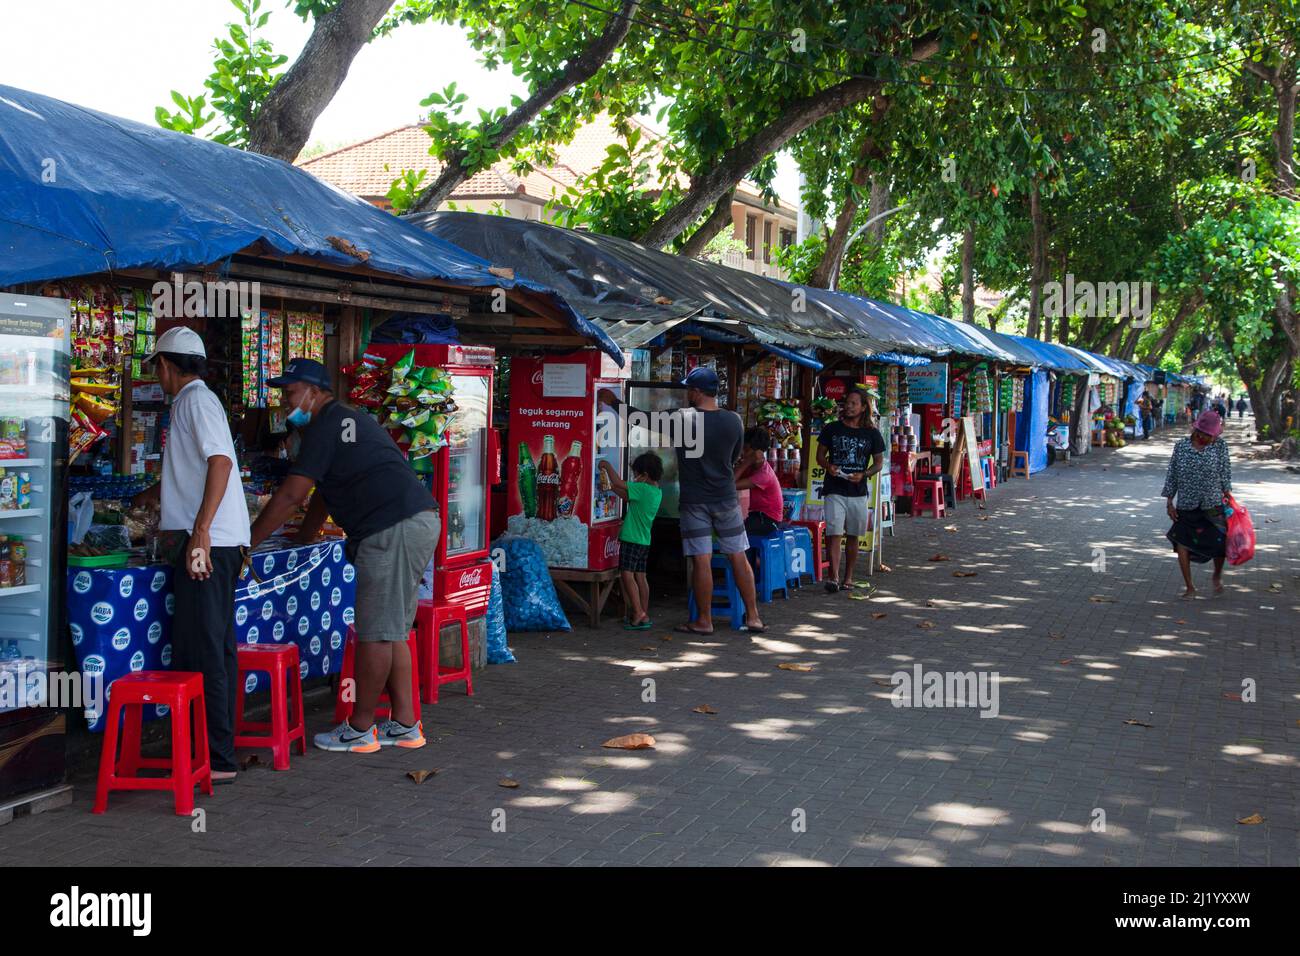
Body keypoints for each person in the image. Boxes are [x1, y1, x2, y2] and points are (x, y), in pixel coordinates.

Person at [249, 358, 440, 753]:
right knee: (392, 631)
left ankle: (359, 729)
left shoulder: (324, 426)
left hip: (391, 529)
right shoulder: (340, 422)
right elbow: (322, 493)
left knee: (374, 632)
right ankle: (405, 724)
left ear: (316, 393)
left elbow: (291, 494)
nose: (285, 403)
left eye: (290, 394)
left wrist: (245, 544)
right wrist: (304, 535)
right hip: (414, 521)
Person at [132, 327, 250, 785]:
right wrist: (151, 495)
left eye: (157, 367)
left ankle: (217, 759)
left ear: (166, 366)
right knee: (214, 647)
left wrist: (199, 532)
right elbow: (198, 468)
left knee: (204, 651)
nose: (157, 375)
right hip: (217, 543)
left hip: (212, 545)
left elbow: (219, 461)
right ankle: (219, 750)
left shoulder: (196, 402)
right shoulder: (194, 402)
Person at [671, 367, 765, 634]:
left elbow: (639, 419)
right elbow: (733, 456)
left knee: (702, 559)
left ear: (697, 392)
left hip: (694, 501)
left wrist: (613, 403)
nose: (688, 393)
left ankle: (704, 620)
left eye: (689, 388)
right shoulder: (734, 420)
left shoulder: (683, 419)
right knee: (737, 555)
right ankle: (754, 616)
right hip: (725, 498)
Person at [816, 387, 886, 593]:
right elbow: (820, 456)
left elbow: (879, 463)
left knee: (854, 534)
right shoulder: (831, 429)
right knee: (834, 533)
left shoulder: (872, 433)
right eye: (847, 402)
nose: (849, 406)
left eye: (854, 403)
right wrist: (828, 466)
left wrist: (864, 474)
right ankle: (834, 577)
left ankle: (849, 577)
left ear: (864, 407)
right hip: (834, 488)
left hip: (858, 490)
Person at [1162, 409, 1232, 599]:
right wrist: (1169, 502)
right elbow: (1172, 474)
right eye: (1209, 435)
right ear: (1199, 432)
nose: (1212, 439)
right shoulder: (1181, 447)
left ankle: (1217, 574)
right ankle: (1190, 587)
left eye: (1213, 435)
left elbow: (1225, 472)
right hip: (1187, 504)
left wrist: (1228, 494)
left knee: (1220, 543)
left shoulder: (1220, 446)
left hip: (1212, 503)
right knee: (1182, 543)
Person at [599, 453, 662, 631]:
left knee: (627, 575)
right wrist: (610, 487)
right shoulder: (655, 491)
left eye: (636, 474)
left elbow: (620, 482)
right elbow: (626, 496)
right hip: (644, 541)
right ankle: (643, 612)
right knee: (641, 576)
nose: (634, 478)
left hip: (631, 538)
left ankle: (637, 612)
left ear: (645, 474)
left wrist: (605, 464)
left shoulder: (642, 489)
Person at [734, 426, 785, 542]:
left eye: (746, 450)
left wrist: (746, 462)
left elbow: (729, 485)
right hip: (756, 516)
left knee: (735, 536)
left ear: (757, 453)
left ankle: (747, 560)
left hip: (769, 520)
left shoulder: (764, 474)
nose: (743, 453)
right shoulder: (752, 468)